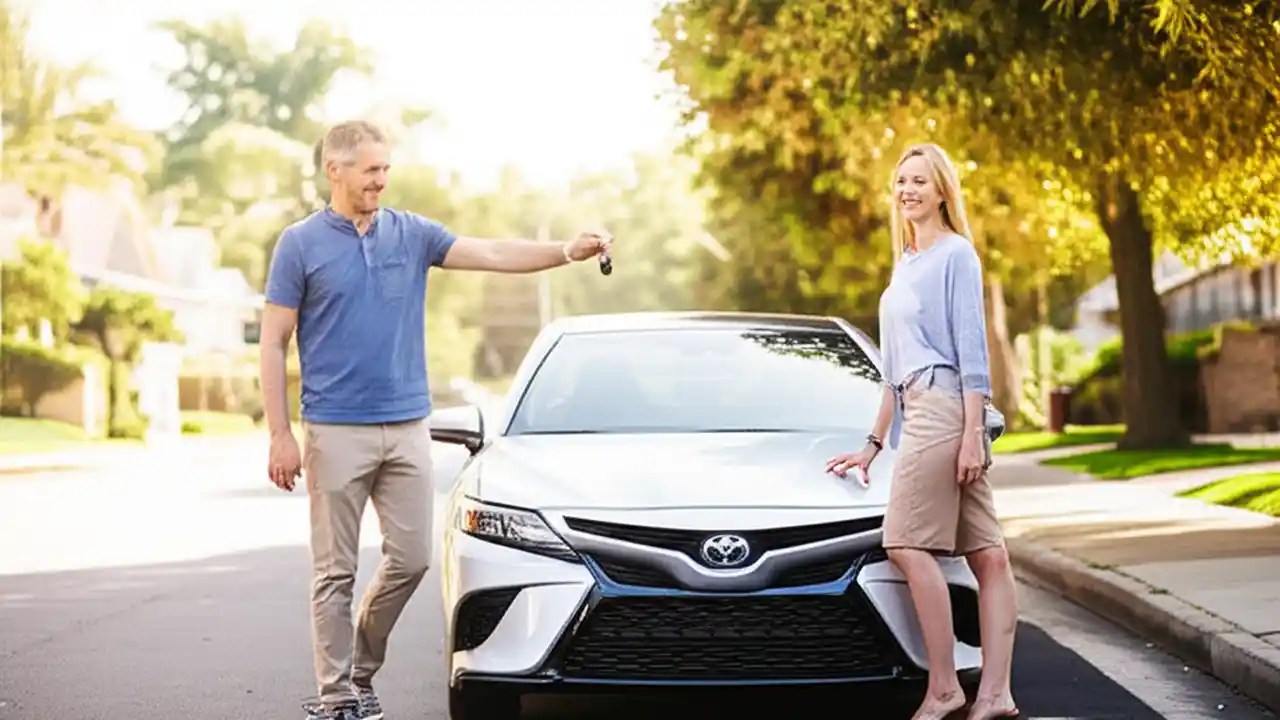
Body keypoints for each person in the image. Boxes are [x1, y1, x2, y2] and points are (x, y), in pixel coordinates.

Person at [259, 120, 613, 720]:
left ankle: (359, 669)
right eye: (371, 169)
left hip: (406, 428)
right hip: (334, 430)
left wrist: (564, 253)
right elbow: (273, 342)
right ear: (335, 171)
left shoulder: (412, 234)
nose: (381, 179)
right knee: (334, 573)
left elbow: (493, 253)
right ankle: (337, 696)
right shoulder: (299, 244)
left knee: (413, 559)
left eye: (385, 168)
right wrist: (279, 433)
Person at [825, 143, 1019, 720]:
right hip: (919, 409)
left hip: (946, 410)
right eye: (901, 180)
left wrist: (969, 434)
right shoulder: (906, 261)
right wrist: (873, 444)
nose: (907, 189)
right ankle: (996, 695)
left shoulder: (956, 255)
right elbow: (892, 371)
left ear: (942, 192)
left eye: (919, 180)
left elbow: (972, 352)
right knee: (990, 556)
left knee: (904, 542)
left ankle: (944, 688)